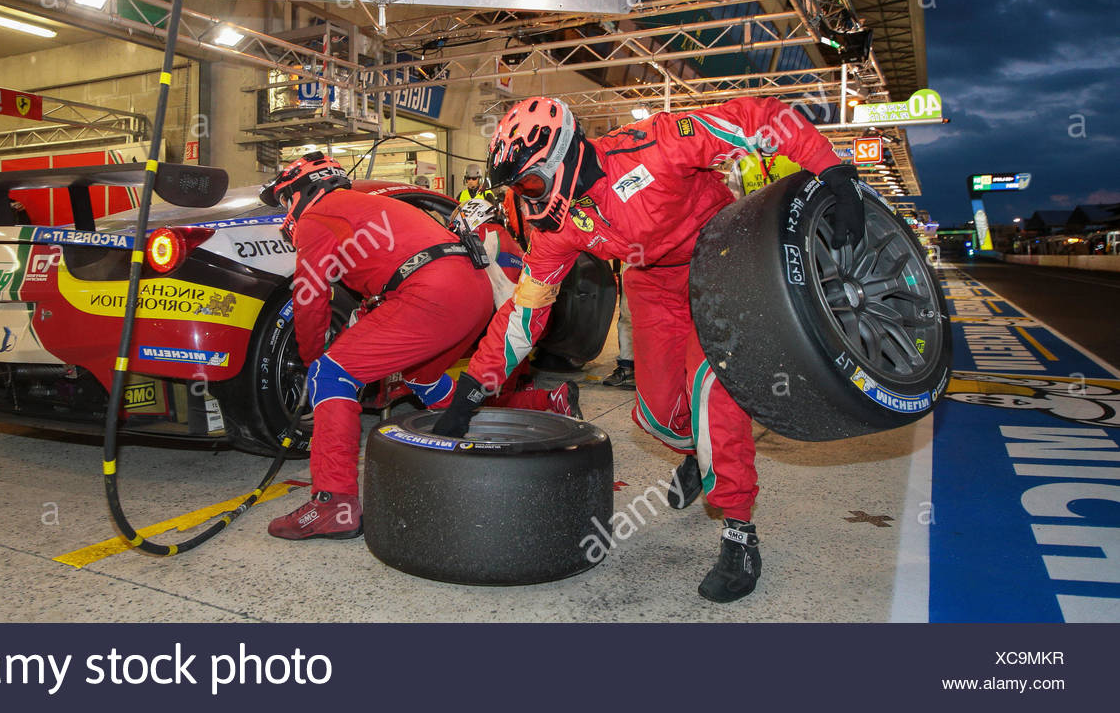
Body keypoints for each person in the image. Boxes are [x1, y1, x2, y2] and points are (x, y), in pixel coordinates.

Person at [433, 96, 864, 602]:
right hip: (653, 287)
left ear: (563, 157)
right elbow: (524, 315)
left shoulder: (656, 144)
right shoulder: (555, 229)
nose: (527, 200)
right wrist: (470, 394)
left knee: (713, 395)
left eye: (530, 184)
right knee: (657, 415)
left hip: (720, 261)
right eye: (518, 188)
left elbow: (762, 117)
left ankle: (739, 532)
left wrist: (834, 173)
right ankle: (694, 454)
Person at [261, 152, 579, 541]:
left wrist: (314, 362)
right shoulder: (370, 204)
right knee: (423, 380)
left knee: (331, 374)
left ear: (300, 189)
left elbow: (309, 299)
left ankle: (334, 504)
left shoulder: (317, 217)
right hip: (470, 290)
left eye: (283, 199)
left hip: (431, 291)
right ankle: (545, 404)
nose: (284, 211)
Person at [603, 261, 636, 389]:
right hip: (635, 256)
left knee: (660, 318)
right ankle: (627, 367)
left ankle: (658, 371)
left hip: (664, 258)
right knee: (627, 313)